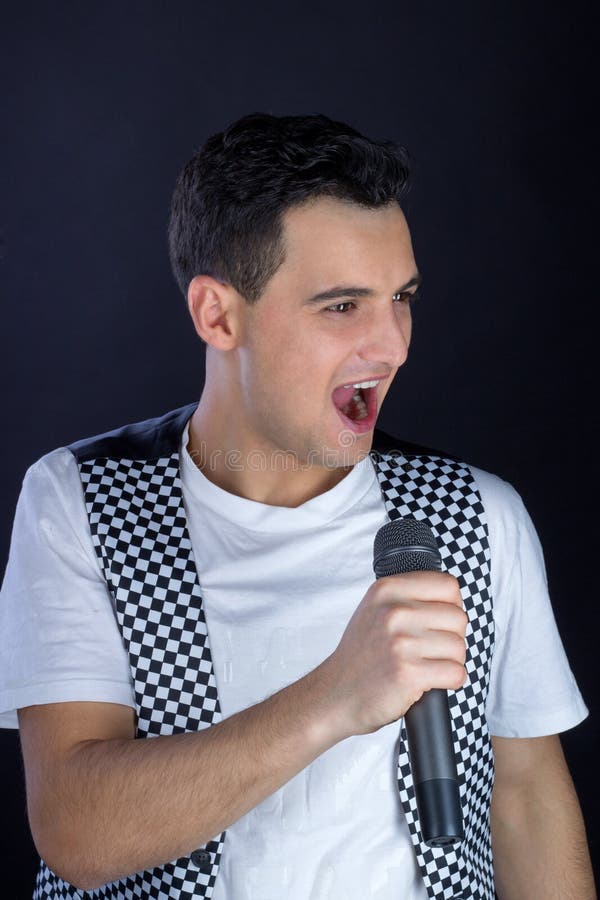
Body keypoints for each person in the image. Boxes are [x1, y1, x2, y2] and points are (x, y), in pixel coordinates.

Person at [0, 112, 595, 900]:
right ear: (218, 315)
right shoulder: (79, 501)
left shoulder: (478, 516)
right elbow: (78, 832)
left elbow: (524, 796)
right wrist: (336, 695)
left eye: (402, 298)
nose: (392, 345)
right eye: (342, 306)